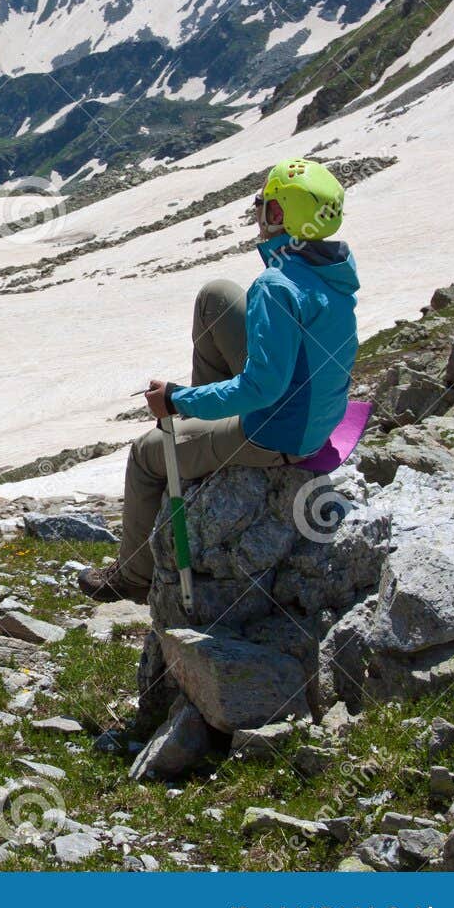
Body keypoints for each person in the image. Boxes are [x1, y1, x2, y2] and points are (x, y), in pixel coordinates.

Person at [80, 158, 360, 603]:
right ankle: (202, 441)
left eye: (266, 206)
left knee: (145, 454)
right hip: (315, 415)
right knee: (218, 299)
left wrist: (180, 401)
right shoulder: (326, 271)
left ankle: (133, 576)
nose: (258, 213)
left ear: (279, 216)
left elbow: (262, 389)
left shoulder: (276, 285)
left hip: (277, 434)